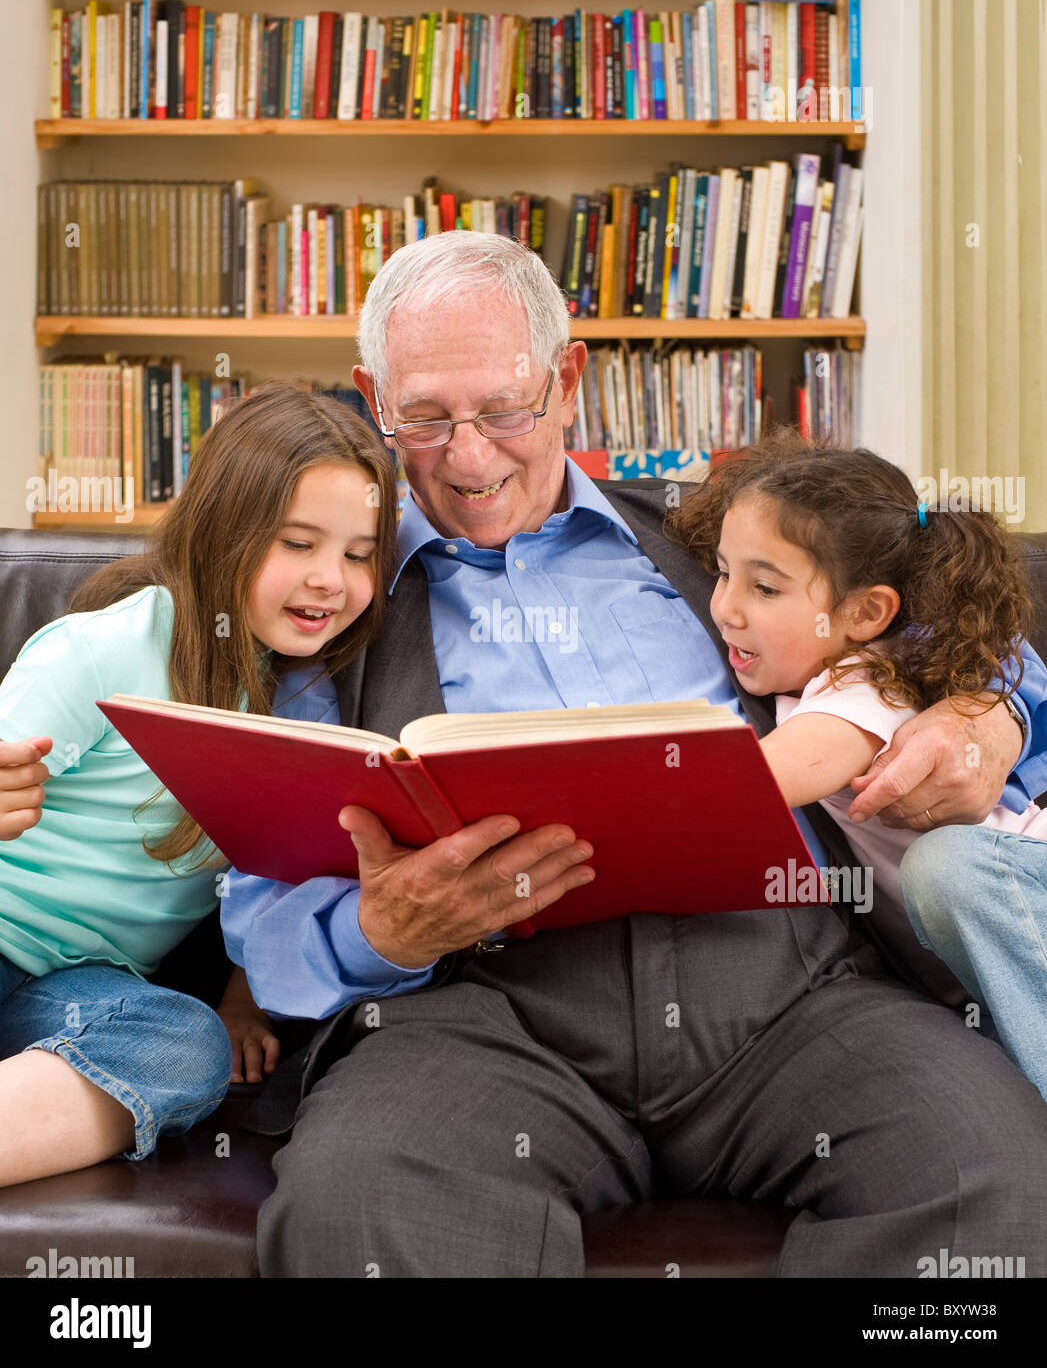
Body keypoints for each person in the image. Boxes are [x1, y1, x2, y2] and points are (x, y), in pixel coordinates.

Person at [223, 232, 1047, 1278]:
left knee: (993, 1178)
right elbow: (262, 913)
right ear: (371, 397)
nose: (470, 460)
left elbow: (972, 634)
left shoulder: (728, 538)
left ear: (569, 378)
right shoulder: (321, 607)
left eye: (507, 410)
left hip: (792, 994)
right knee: (361, 1208)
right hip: (480, 1024)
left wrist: (989, 718)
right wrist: (379, 930)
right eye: (426, 419)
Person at [0, 381, 398, 1186]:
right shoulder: (104, 650)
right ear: (224, 531)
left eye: (358, 555)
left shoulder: (309, 708)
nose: (330, 579)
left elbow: (282, 865)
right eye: (297, 543)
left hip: (72, 993)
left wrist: (243, 1000)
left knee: (187, 1046)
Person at [670, 431, 1047, 1098]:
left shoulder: (865, 684)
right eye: (724, 573)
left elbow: (755, 782)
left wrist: (618, 787)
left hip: (1025, 893)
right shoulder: (837, 671)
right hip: (978, 960)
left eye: (764, 587)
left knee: (945, 869)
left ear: (865, 612)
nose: (724, 608)